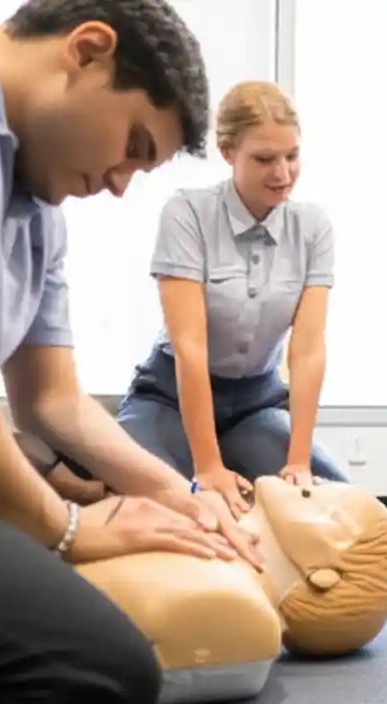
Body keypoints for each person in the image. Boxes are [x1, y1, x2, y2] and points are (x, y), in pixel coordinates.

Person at [0, 1, 261, 704]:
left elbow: (53, 402)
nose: (119, 184)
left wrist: (183, 498)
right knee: (99, 669)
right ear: (86, 51)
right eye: (133, 145)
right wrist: (67, 530)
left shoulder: (38, 215)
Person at [116, 80, 347, 518]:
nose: (282, 174)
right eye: (264, 159)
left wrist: (297, 461)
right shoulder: (186, 214)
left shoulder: (313, 226)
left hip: (255, 404)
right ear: (228, 152)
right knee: (169, 503)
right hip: (168, 396)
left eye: (292, 156)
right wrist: (208, 468)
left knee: (333, 504)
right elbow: (190, 347)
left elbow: (307, 349)